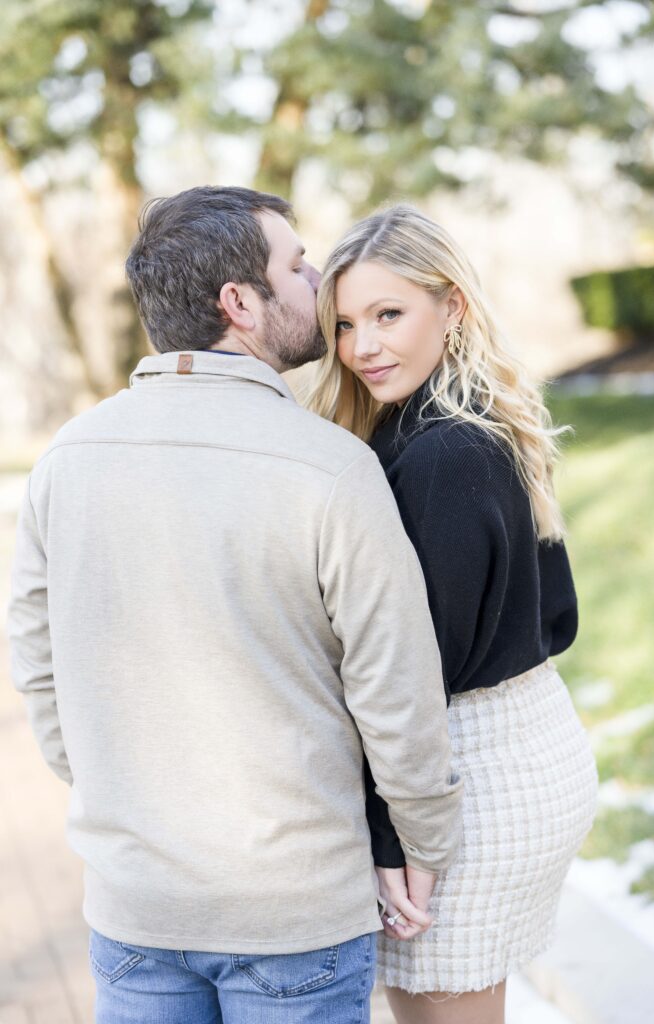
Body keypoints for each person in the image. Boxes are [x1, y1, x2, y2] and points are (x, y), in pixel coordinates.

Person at [8, 187, 464, 1024]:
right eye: (296, 265)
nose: (317, 282)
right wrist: (425, 843)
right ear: (239, 303)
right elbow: (394, 690)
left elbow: (37, 668)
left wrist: (118, 793)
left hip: (135, 906)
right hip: (292, 915)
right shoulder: (332, 467)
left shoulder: (67, 459)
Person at [306, 204, 599, 1024]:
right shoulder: (458, 421)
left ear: (452, 306)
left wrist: (394, 839)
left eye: (387, 314)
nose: (362, 346)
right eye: (344, 324)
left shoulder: (441, 454)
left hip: (463, 779)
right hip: (512, 744)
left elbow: (412, 677)